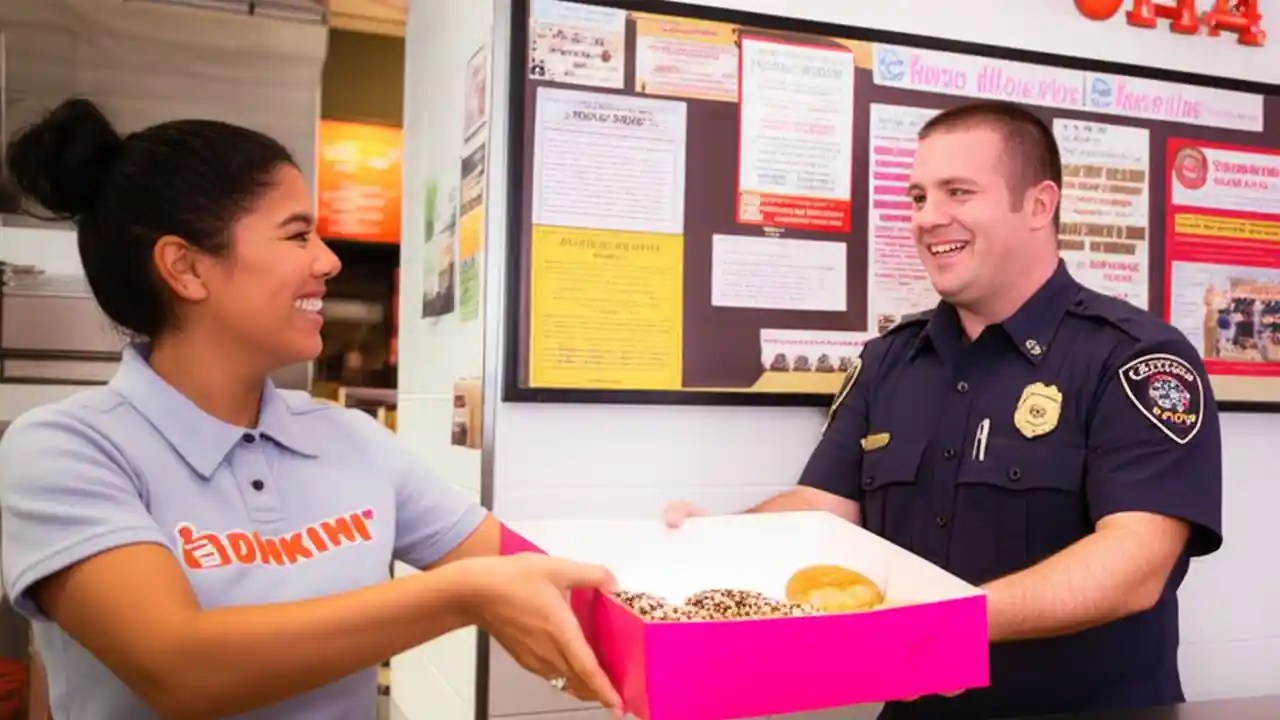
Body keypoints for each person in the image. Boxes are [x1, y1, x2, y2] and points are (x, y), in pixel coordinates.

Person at [0, 98, 622, 720]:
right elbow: (182, 668)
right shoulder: (64, 450)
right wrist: (461, 597)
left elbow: (532, 572)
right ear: (185, 267)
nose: (329, 261)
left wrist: (692, 540)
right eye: (298, 235)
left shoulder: (350, 440)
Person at [665, 101, 1223, 720]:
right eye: (918, 197)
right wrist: (712, 540)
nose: (929, 219)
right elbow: (823, 511)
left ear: (1039, 205)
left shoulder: (1134, 358)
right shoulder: (889, 362)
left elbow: (1136, 562)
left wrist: (950, 623)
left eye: (958, 192)